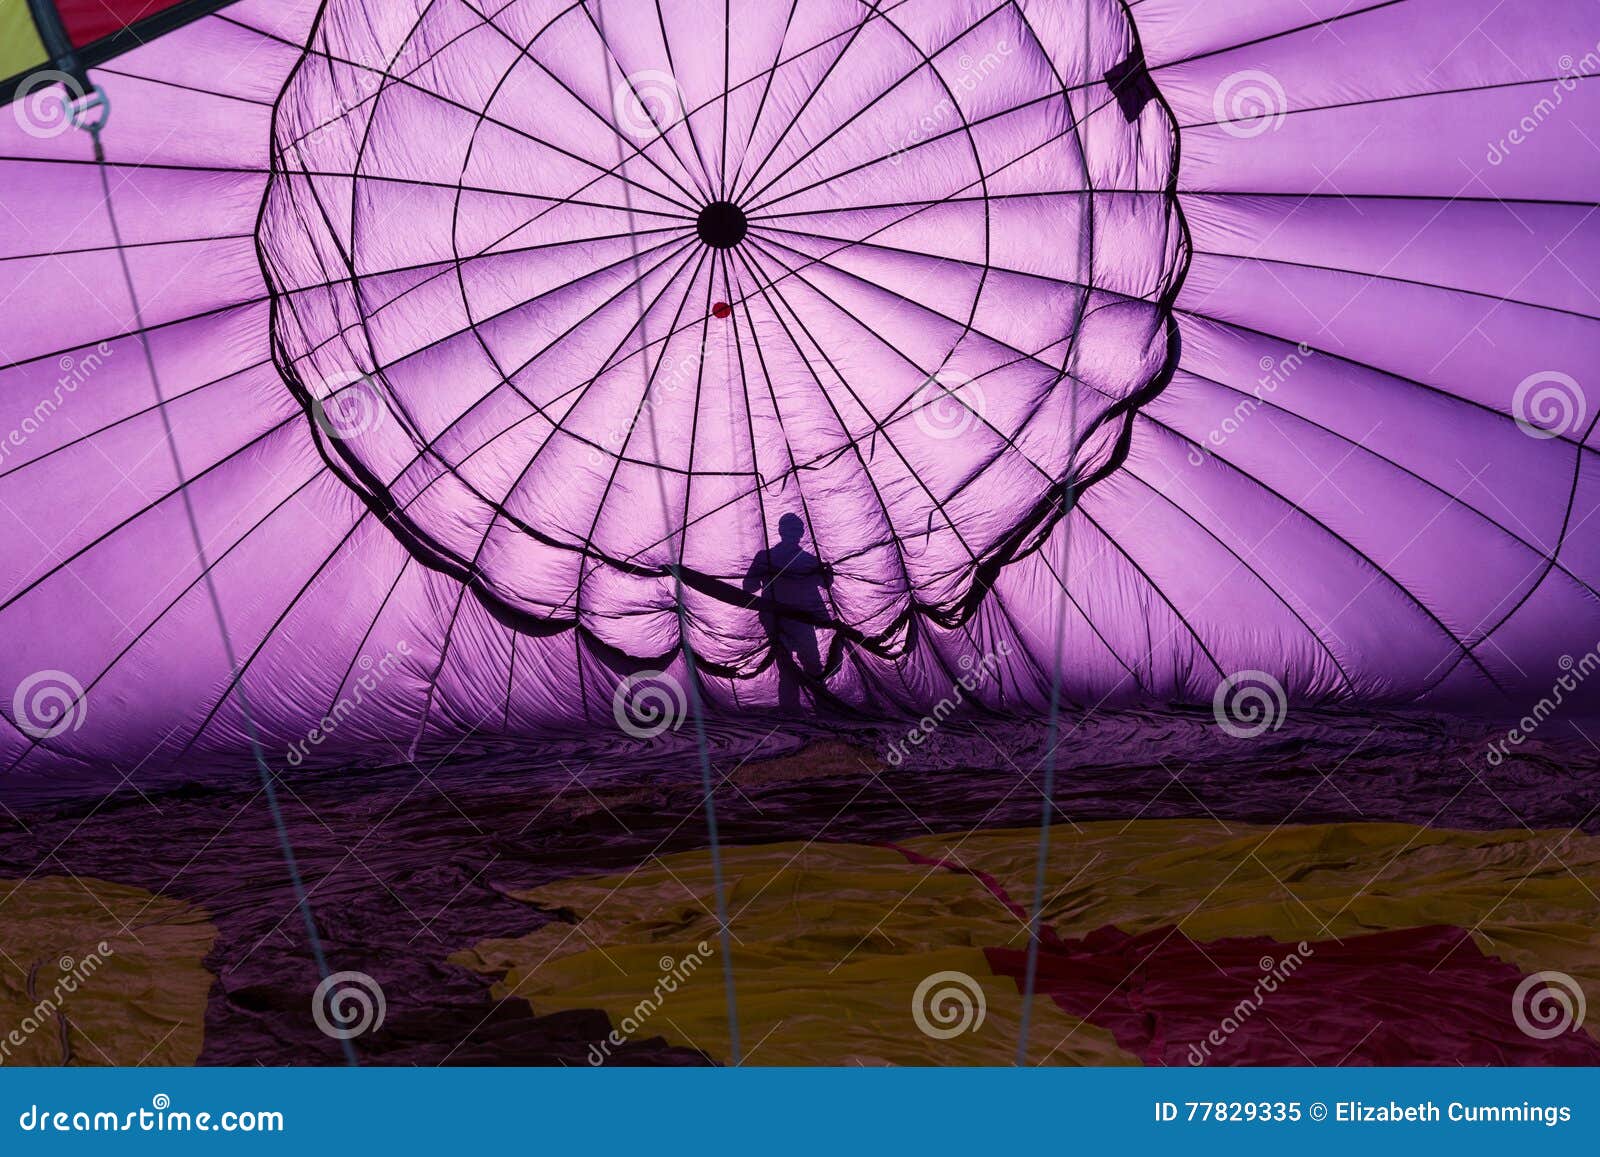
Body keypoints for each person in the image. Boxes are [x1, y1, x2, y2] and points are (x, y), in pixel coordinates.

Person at [743, 513, 833, 712]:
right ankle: (807, 708)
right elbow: (748, 587)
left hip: (796, 620)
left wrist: (826, 572)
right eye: (790, 529)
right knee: (797, 665)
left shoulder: (804, 560)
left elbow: (825, 583)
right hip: (781, 619)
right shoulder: (769, 558)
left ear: (800, 533)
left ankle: (811, 708)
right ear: (782, 531)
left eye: (796, 529)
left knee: (805, 664)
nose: (793, 533)